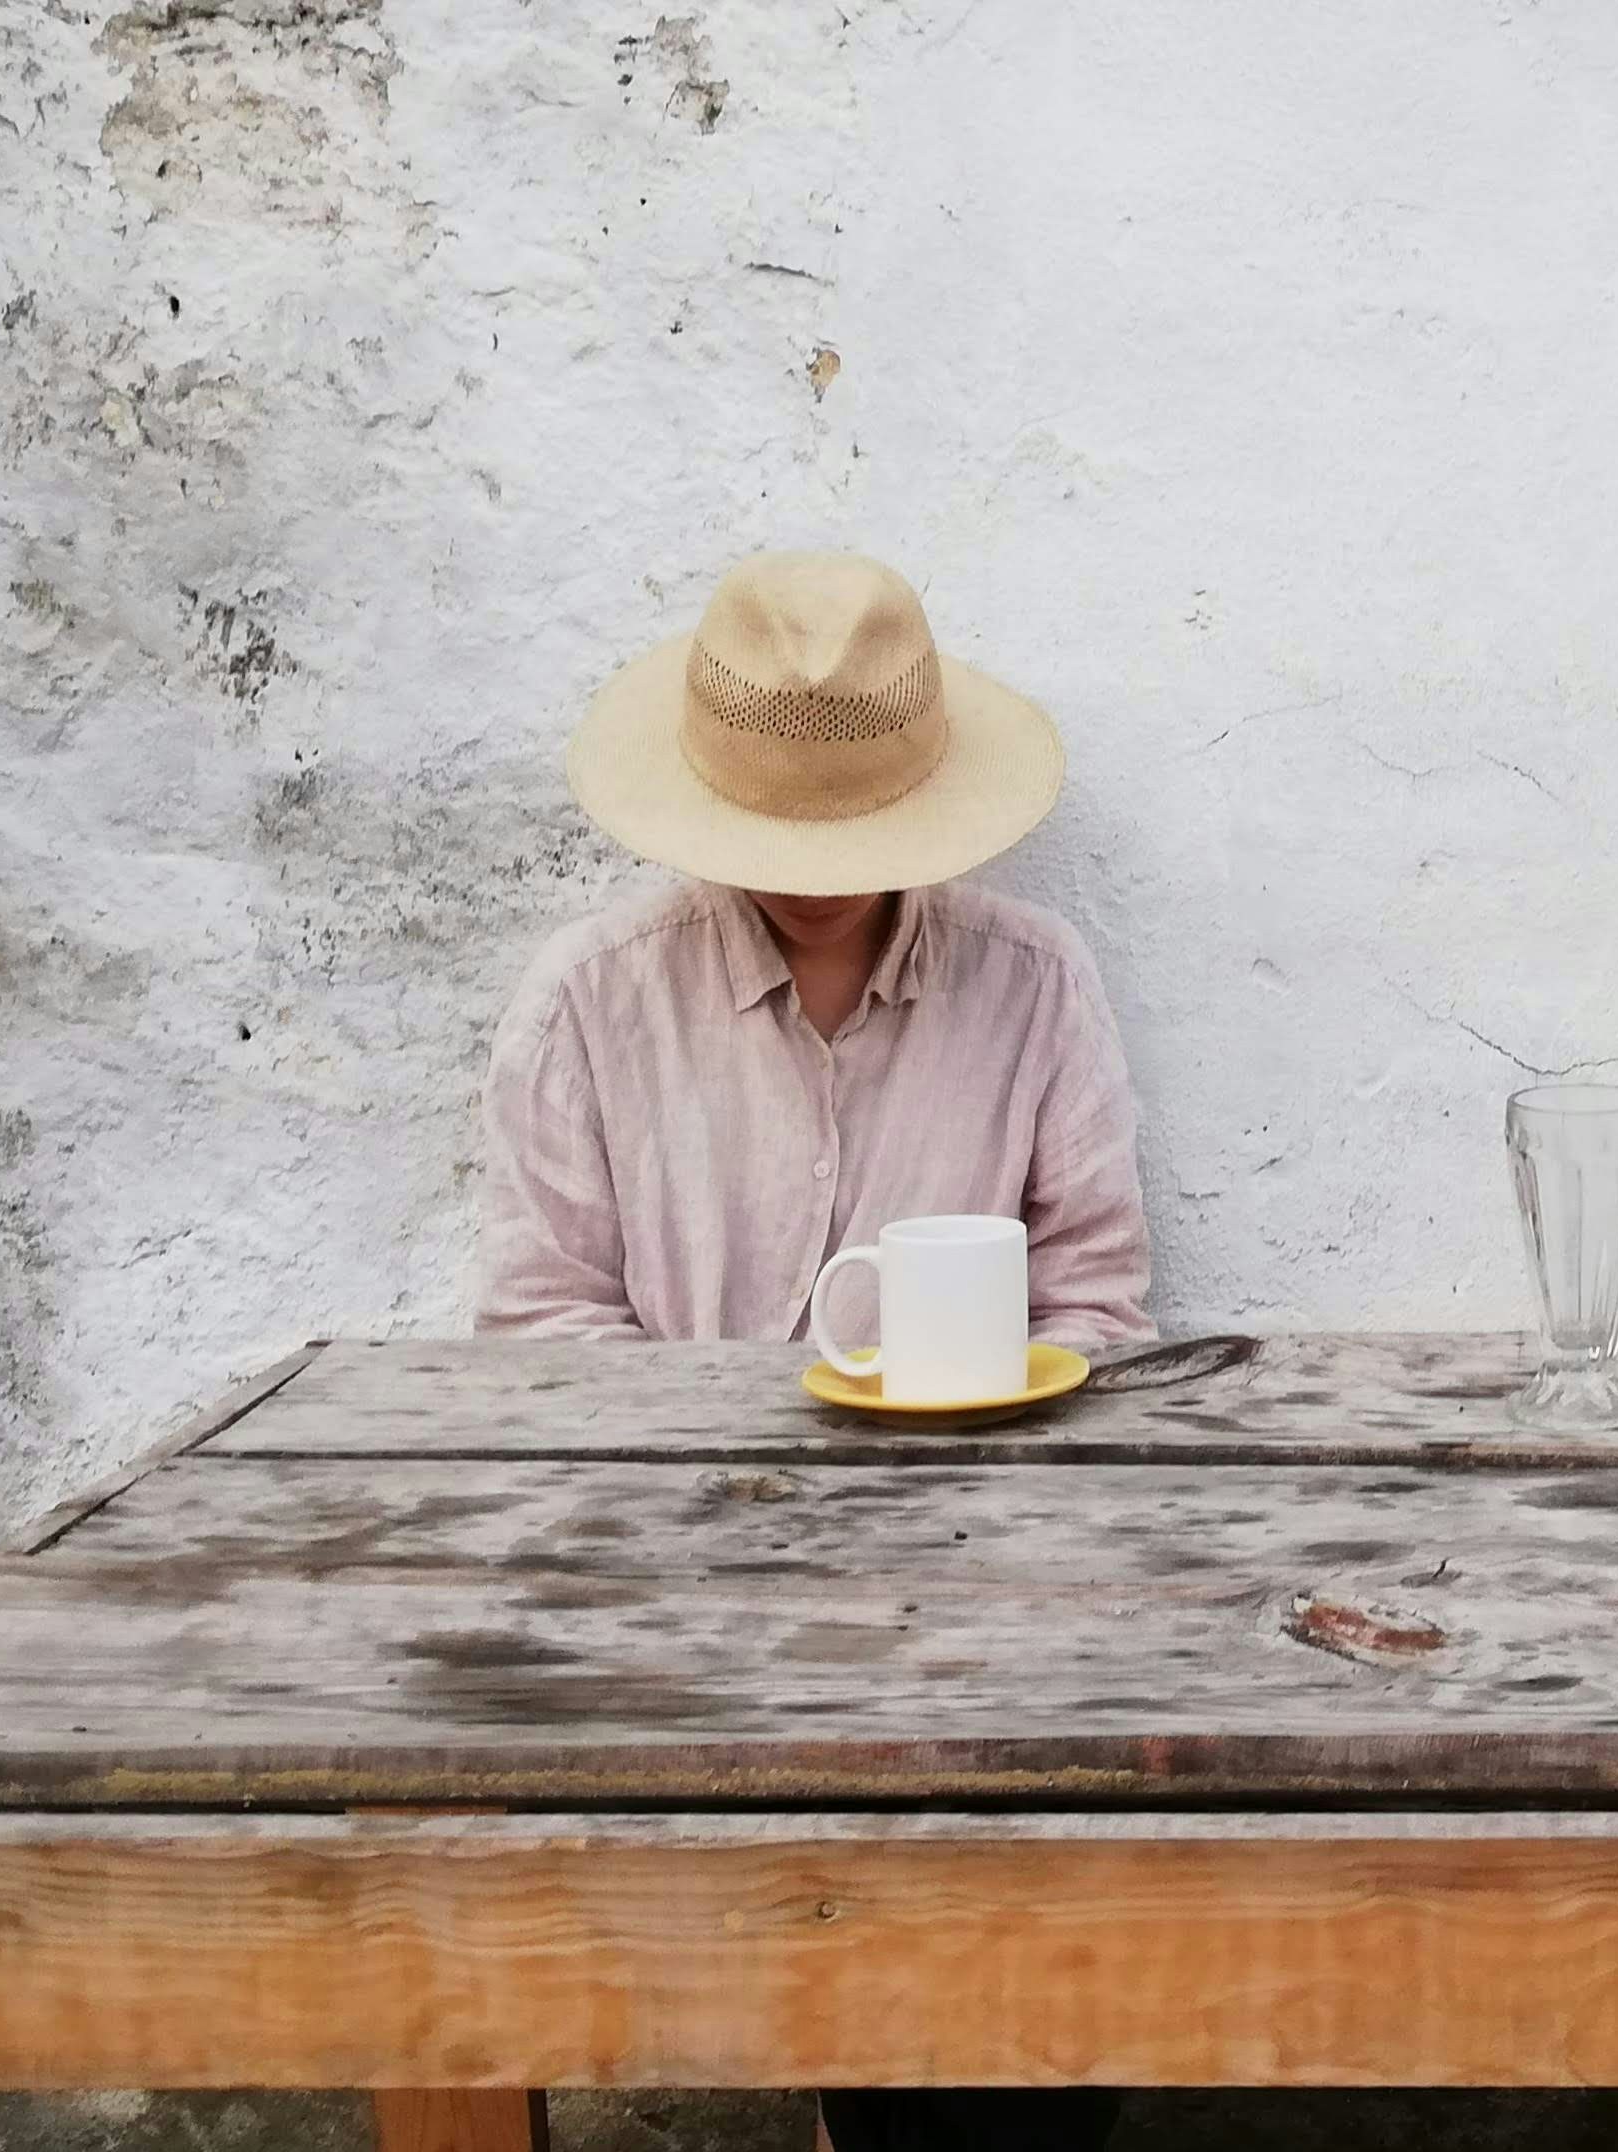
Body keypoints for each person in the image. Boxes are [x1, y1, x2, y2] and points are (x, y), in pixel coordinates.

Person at [476, 548, 1147, 2151]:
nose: (818, 869)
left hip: (978, 1567)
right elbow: (533, 1328)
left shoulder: (1034, 981)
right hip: (678, 1576)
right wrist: (735, 1486)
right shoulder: (591, 999)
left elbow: (1100, 1296)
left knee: (1043, 1887)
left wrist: (969, 1460)